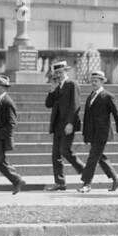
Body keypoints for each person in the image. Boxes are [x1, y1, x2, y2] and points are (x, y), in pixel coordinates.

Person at [77, 69, 118, 193]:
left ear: (102, 82)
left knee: (92, 157)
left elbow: (116, 114)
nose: (93, 83)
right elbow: (87, 117)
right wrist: (85, 134)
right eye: (92, 81)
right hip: (92, 133)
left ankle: (87, 183)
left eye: (96, 81)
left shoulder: (108, 96)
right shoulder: (90, 96)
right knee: (100, 157)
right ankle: (115, 178)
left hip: (103, 133)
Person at [43, 60, 84, 191]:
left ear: (66, 71)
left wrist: (71, 123)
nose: (58, 75)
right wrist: (52, 89)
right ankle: (60, 183)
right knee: (56, 154)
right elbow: (48, 104)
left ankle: (85, 171)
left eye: (60, 72)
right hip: (57, 125)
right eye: (56, 73)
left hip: (67, 124)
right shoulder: (57, 86)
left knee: (65, 150)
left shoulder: (72, 84)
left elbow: (75, 105)